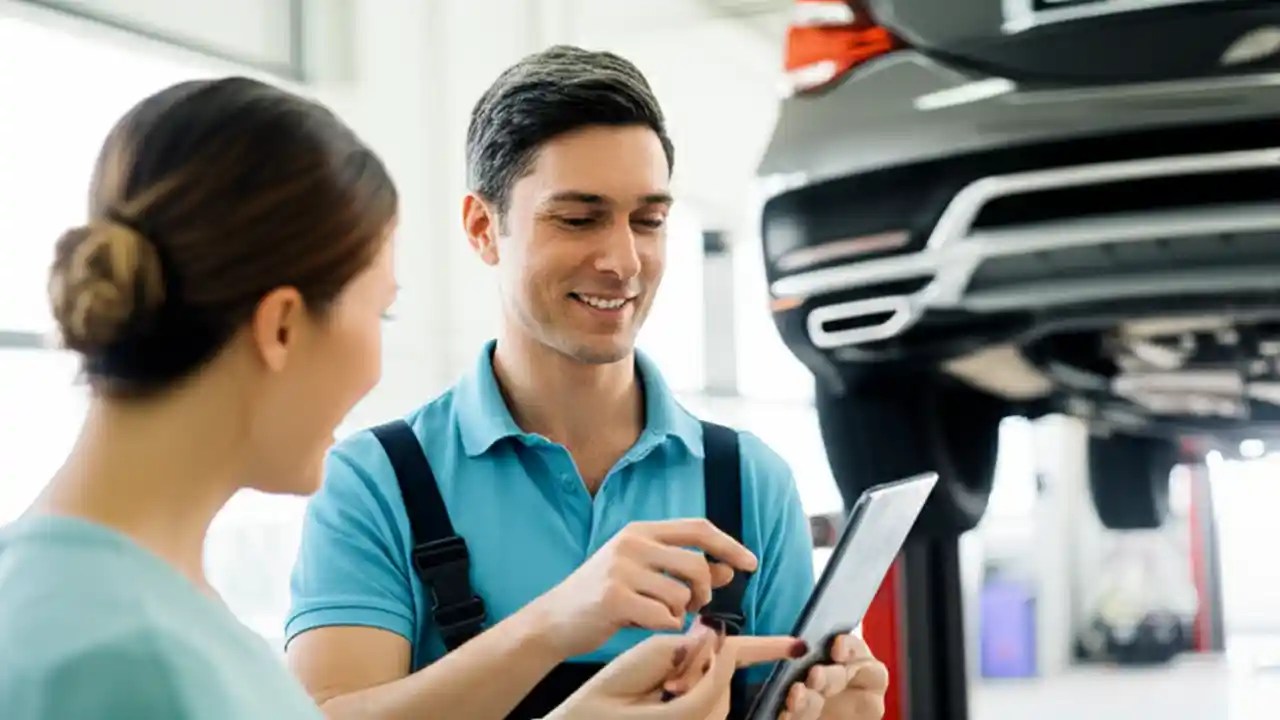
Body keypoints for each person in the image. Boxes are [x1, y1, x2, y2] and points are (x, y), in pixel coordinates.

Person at [0, 76, 799, 720]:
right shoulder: (124, 656)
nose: (622, 261)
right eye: (379, 312)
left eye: (648, 220)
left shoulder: (136, 616)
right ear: (282, 326)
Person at [284, 45, 889, 720]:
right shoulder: (376, 481)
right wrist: (555, 623)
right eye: (578, 219)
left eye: (649, 221)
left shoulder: (749, 481)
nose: (623, 261)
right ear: (484, 228)